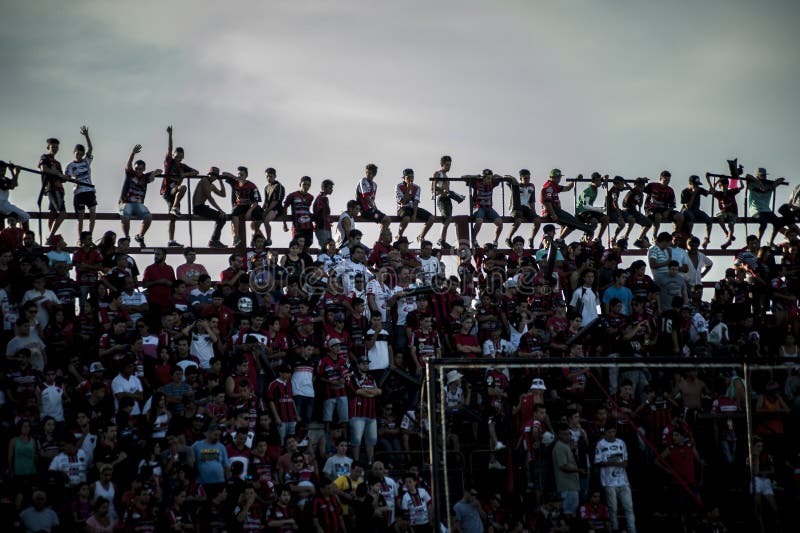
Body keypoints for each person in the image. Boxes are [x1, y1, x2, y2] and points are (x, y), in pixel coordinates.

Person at [594, 426, 636, 533]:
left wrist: (620, 463)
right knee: (613, 508)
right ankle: (615, 529)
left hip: (623, 480)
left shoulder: (621, 443)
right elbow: (597, 462)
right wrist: (611, 462)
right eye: (609, 432)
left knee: (629, 507)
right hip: (609, 481)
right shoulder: (600, 444)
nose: (612, 434)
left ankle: (632, 530)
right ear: (605, 433)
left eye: (613, 431)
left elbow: (626, 462)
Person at [162, 125, 197, 246]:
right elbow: (169, 147)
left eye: (180, 158)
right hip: (168, 191)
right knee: (182, 188)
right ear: (173, 155)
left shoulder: (182, 166)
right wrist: (170, 135)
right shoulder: (169, 162)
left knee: (173, 217)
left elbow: (196, 172)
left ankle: (171, 240)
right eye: (176, 157)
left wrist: (184, 174)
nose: (178, 159)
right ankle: (175, 208)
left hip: (176, 194)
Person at [120, 143, 161, 247]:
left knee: (148, 217)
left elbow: (159, 171)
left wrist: (153, 174)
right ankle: (127, 237)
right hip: (126, 202)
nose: (138, 170)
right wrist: (133, 153)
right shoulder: (130, 174)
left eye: (140, 169)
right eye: (137, 168)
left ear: (143, 169)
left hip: (138, 204)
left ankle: (140, 236)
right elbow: (128, 165)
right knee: (125, 216)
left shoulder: (145, 177)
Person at [63, 125, 97, 241]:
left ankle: (89, 237)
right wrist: (72, 179)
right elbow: (66, 177)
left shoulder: (86, 161)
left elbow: (90, 149)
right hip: (79, 192)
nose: (79, 156)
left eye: (81, 154)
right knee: (81, 217)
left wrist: (87, 136)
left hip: (89, 191)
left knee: (93, 214)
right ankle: (80, 239)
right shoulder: (70, 166)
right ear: (74, 153)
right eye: (77, 153)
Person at [541, 168, 594, 239]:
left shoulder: (554, 186)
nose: (559, 179)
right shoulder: (549, 187)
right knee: (573, 221)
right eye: (557, 177)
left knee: (570, 225)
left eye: (559, 177)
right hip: (552, 211)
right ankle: (588, 229)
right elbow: (547, 202)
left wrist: (575, 179)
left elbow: (568, 188)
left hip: (556, 210)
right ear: (552, 177)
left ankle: (560, 240)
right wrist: (553, 214)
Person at [745, 167, 788, 246]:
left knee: (778, 223)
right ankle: (758, 241)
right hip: (756, 210)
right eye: (762, 175)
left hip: (767, 210)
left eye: (764, 175)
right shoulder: (752, 184)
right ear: (757, 176)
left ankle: (771, 242)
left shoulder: (769, 185)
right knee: (763, 222)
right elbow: (747, 176)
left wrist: (773, 185)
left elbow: (782, 179)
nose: (764, 177)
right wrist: (759, 183)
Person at [38, 137, 68, 244]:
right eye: (52, 147)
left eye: (56, 147)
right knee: (63, 213)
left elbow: (61, 178)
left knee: (53, 213)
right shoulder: (45, 157)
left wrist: (65, 177)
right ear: (48, 147)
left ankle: (51, 237)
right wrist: (56, 173)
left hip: (59, 189)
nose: (54, 148)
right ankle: (50, 237)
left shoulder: (58, 163)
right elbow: (43, 169)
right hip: (51, 188)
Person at [192, 166, 230, 248]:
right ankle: (214, 241)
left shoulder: (211, 185)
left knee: (222, 218)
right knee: (221, 217)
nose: (213, 177)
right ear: (209, 174)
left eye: (215, 176)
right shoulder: (204, 180)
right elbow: (209, 198)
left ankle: (215, 240)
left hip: (203, 207)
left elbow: (223, 194)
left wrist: (220, 181)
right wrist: (221, 210)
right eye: (212, 174)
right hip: (198, 208)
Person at [467, 169, 504, 247]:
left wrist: (497, 176)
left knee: (500, 223)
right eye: (487, 178)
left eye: (490, 178)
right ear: (483, 178)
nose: (489, 180)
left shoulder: (492, 184)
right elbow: (463, 177)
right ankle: (473, 239)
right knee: (479, 221)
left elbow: (502, 179)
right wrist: (475, 176)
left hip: (489, 208)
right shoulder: (477, 183)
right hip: (479, 207)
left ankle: (495, 241)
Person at [505, 168, 541, 249]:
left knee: (538, 221)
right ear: (521, 178)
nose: (527, 180)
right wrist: (512, 178)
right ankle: (508, 238)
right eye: (525, 178)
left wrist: (534, 213)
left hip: (525, 208)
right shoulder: (516, 185)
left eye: (528, 178)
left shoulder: (531, 187)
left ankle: (531, 239)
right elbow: (507, 179)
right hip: (515, 208)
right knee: (518, 221)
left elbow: (532, 201)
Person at [396, 168, 434, 243]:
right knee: (406, 219)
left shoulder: (417, 187)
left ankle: (421, 236)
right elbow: (403, 202)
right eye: (408, 177)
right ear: (404, 178)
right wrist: (408, 188)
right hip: (403, 208)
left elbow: (416, 202)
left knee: (432, 218)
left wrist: (414, 214)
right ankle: (399, 236)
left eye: (412, 177)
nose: (411, 179)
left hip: (413, 208)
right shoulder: (399, 186)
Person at [644, 170, 683, 242]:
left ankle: (675, 235)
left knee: (680, 216)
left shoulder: (670, 190)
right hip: (651, 209)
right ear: (660, 179)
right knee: (658, 216)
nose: (667, 182)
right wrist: (643, 181)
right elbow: (641, 189)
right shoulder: (652, 186)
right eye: (665, 180)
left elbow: (672, 204)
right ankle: (654, 236)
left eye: (668, 180)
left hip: (664, 210)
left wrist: (667, 211)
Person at [552, 424, 581, 518]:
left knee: (572, 510)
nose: (568, 436)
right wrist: (578, 470)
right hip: (567, 485)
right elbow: (563, 466)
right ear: (559, 435)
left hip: (571, 484)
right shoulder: (560, 447)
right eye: (565, 434)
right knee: (567, 511)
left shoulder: (565, 446)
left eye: (568, 434)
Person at [230, 166, 263, 247]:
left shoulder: (251, 185)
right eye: (238, 174)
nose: (240, 176)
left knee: (259, 213)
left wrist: (249, 212)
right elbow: (225, 174)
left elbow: (256, 202)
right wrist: (234, 177)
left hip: (250, 205)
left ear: (246, 175)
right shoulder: (235, 184)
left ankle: (255, 235)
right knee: (234, 213)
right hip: (240, 205)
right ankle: (236, 236)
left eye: (242, 174)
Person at [576, 172, 611, 241]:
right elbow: (586, 206)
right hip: (582, 211)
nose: (600, 182)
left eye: (600, 180)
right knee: (594, 221)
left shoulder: (595, 188)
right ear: (593, 181)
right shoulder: (588, 191)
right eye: (598, 181)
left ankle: (598, 238)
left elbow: (606, 175)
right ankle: (586, 236)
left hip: (589, 210)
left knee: (606, 218)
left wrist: (605, 179)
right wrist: (599, 209)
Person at [680, 174, 712, 248]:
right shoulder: (684, 192)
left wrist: (708, 180)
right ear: (690, 183)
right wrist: (693, 194)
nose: (696, 186)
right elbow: (688, 206)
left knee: (709, 220)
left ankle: (707, 239)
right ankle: (688, 236)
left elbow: (711, 192)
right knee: (690, 217)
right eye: (695, 185)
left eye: (697, 185)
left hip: (696, 211)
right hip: (687, 211)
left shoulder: (699, 189)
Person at [283, 175, 316, 246]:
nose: (306, 186)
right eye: (304, 184)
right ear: (300, 184)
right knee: (296, 245)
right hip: (297, 226)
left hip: (308, 226)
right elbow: (285, 207)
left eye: (308, 185)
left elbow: (307, 210)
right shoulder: (292, 195)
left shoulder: (310, 197)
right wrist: (284, 223)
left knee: (308, 244)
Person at [357, 162, 391, 230]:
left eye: (370, 173)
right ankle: (380, 240)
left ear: (374, 174)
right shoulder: (363, 181)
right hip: (364, 210)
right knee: (387, 219)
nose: (367, 175)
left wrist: (376, 209)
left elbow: (372, 200)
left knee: (385, 221)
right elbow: (367, 198)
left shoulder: (374, 185)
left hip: (370, 210)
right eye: (366, 172)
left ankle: (381, 240)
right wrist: (375, 209)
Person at [0, 161, 30, 229]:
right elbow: (11, 186)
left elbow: (14, 184)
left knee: (25, 216)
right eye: (1, 170)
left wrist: (13, 172)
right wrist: (15, 172)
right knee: (24, 216)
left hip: (4, 203)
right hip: (1, 204)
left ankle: (25, 236)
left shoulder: (4, 179)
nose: (2, 172)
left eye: (4, 170)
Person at [261, 167, 285, 246]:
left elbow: (276, 201)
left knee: (266, 220)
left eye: (270, 176)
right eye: (267, 176)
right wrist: (261, 209)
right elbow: (266, 201)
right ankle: (259, 238)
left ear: (275, 176)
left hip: (276, 209)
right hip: (268, 208)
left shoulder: (279, 186)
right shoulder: (266, 187)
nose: (268, 178)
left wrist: (266, 211)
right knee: (255, 222)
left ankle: (268, 239)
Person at [313, 178, 335, 248]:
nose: (332, 190)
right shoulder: (322, 198)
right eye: (330, 188)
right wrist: (322, 222)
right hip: (322, 227)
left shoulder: (322, 197)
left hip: (325, 226)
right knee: (325, 247)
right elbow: (320, 212)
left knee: (328, 247)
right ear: (323, 188)